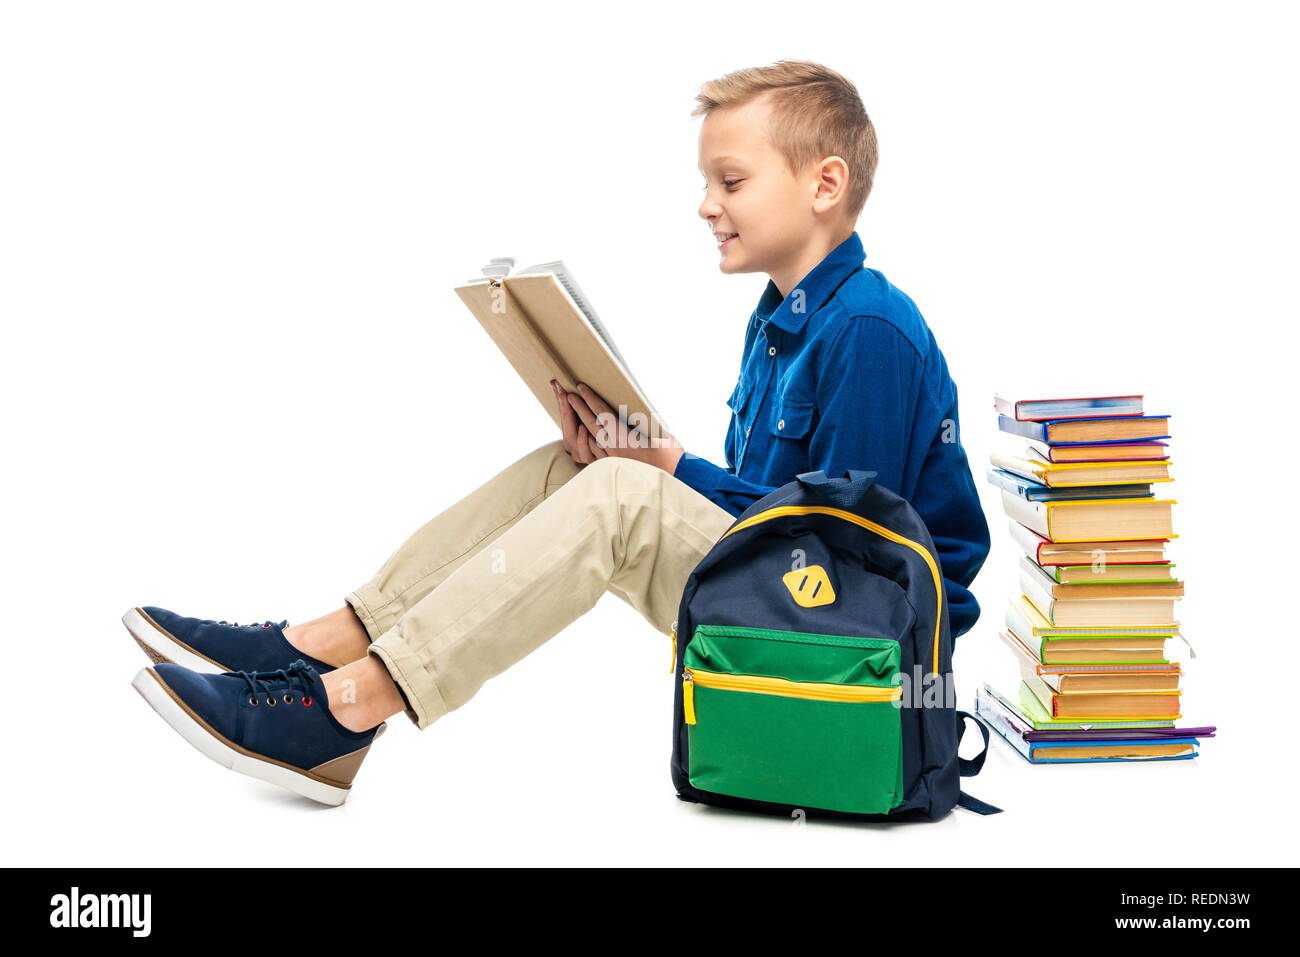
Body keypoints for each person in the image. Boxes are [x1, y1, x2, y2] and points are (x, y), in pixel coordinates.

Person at [128, 60, 990, 806]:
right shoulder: (781, 322)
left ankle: (345, 709)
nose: (705, 205)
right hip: (802, 601)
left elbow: (844, 550)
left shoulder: (868, 328)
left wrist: (666, 464)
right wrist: (649, 456)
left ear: (824, 185)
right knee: (572, 467)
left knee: (620, 491)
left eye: (730, 182)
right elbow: (783, 518)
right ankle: (321, 646)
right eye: (705, 184)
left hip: (862, 646)